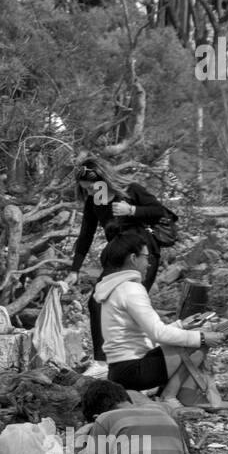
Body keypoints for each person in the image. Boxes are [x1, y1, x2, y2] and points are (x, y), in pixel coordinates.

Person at [94, 231, 228, 404]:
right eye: (146, 257)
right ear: (133, 258)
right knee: (198, 345)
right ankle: (170, 396)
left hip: (119, 370)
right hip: (135, 371)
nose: (148, 264)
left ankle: (178, 394)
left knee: (193, 337)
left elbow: (147, 336)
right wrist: (202, 337)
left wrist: (181, 324)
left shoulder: (114, 289)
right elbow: (157, 334)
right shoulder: (131, 289)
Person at [69, 155, 171, 363]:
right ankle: (101, 361)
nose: (90, 193)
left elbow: (159, 211)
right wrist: (74, 270)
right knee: (97, 301)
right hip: (116, 256)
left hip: (142, 253)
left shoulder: (131, 190)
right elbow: (85, 235)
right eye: (86, 189)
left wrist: (131, 210)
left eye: (91, 187)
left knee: (134, 303)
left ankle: (146, 357)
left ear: (104, 181)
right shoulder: (94, 202)